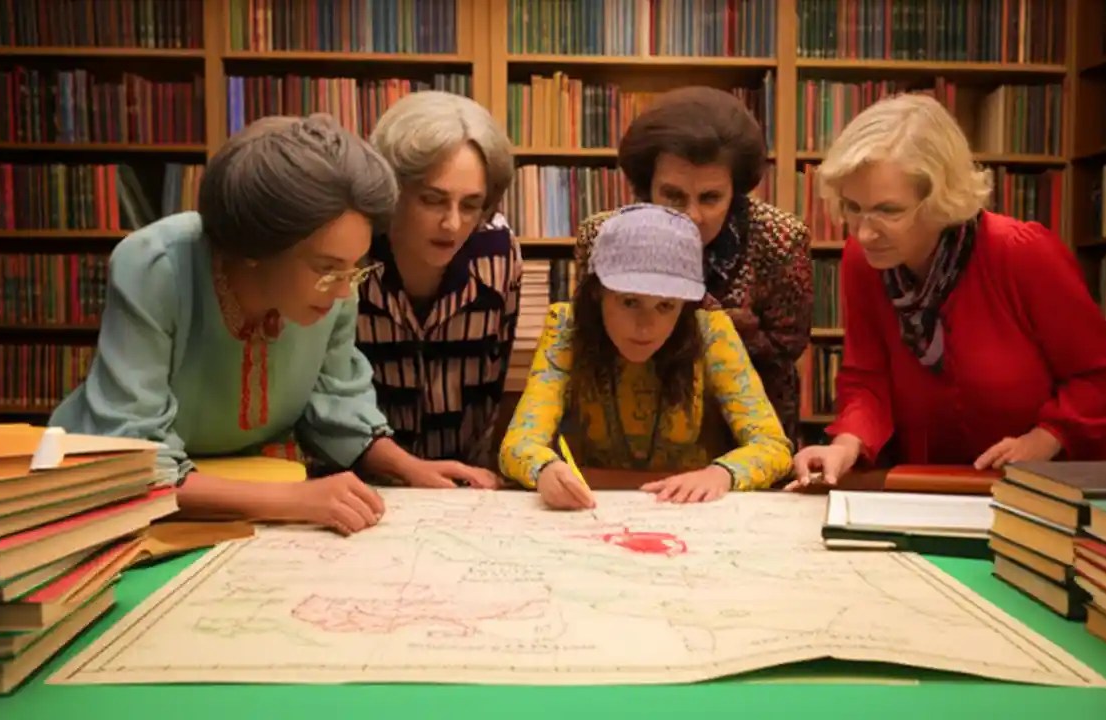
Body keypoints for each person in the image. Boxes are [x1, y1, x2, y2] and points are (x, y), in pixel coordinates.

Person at [49, 114, 490, 536]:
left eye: (354, 267)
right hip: (103, 506)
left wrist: (411, 468)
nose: (344, 292)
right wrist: (292, 500)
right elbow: (133, 462)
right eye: (328, 268)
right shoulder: (156, 265)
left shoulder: (335, 288)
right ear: (255, 246)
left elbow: (336, 401)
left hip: (242, 499)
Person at [787, 94, 1106, 490]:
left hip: (1055, 491)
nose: (864, 231)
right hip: (938, 487)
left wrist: (1044, 439)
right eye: (852, 207)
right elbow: (868, 378)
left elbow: (1101, 376)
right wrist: (846, 443)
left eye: (889, 211)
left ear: (939, 200)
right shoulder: (863, 260)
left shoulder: (1021, 252)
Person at [499, 203, 794, 510]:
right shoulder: (566, 328)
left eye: (666, 306)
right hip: (594, 507)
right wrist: (544, 468)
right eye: (629, 301)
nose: (645, 326)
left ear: (685, 305)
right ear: (598, 291)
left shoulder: (710, 331)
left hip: (688, 510)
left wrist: (722, 474)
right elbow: (519, 443)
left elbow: (773, 446)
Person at [573, 86, 812, 440]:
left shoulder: (780, 238)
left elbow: (785, 349)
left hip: (746, 433)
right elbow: (594, 335)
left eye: (711, 198)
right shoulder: (603, 235)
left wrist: (701, 320)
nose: (692, 216)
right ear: (646, 187)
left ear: (736, 192)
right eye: (673, 196)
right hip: (633, 429)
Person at [355, 91, 520, 482]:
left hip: (461, 483)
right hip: (357, 482)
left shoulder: (498, 249)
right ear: (394, 190)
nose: (452, 224)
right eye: (432, 200)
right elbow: (326, 394)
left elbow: (493, 385)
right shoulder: (352, 250)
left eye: (470, 205)